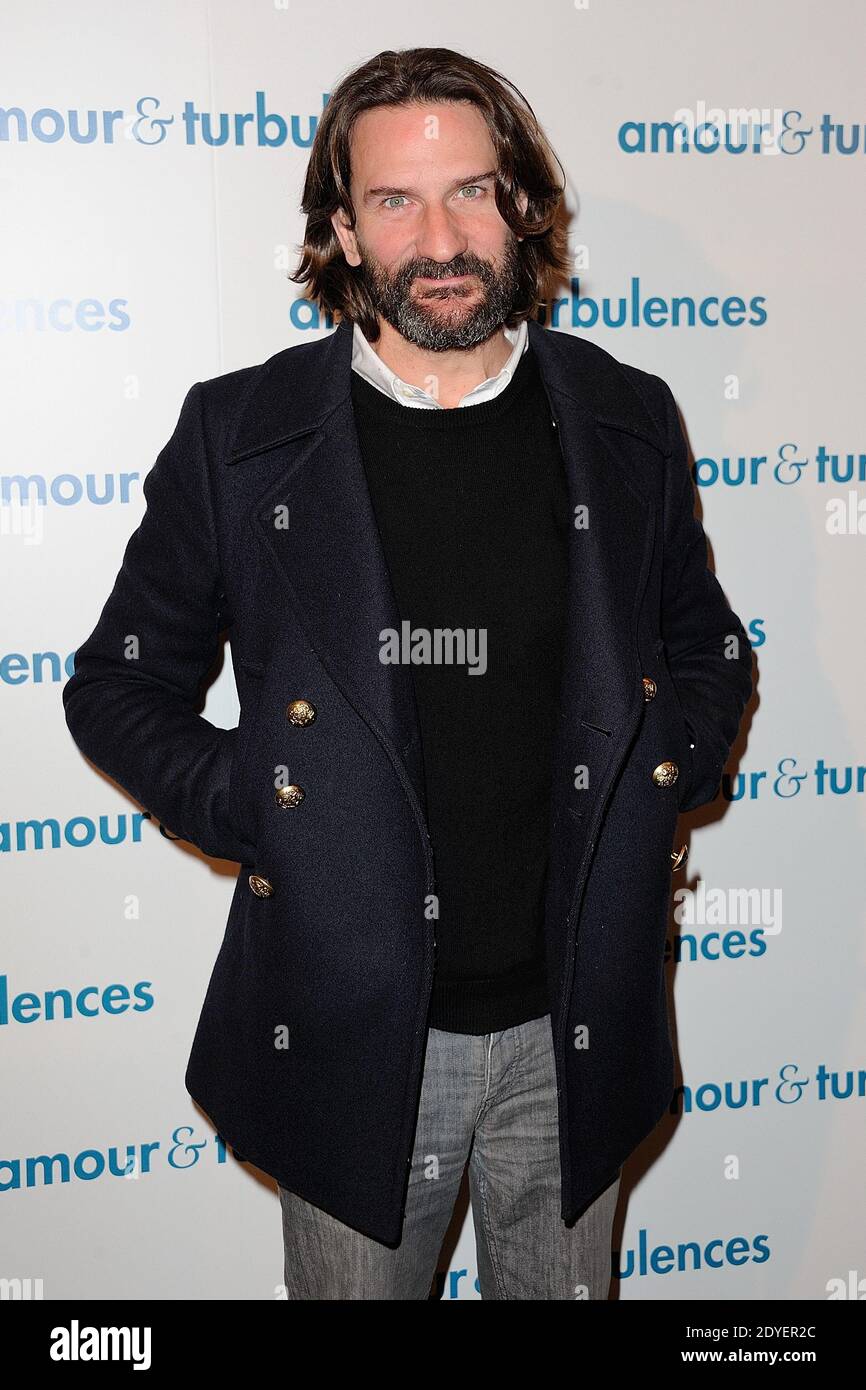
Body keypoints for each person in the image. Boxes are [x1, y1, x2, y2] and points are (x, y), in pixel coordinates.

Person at [63, 47, 754, 1300]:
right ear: (342, 225)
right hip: (351, 1030)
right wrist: (260, 804)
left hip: (577, 1020)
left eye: (471, 193)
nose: (439, 238)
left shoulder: (626, 417)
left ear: (524, 204)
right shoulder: (240, 436)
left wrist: (662, 776)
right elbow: (115, 683)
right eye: (394, 201)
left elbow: (707, 647)